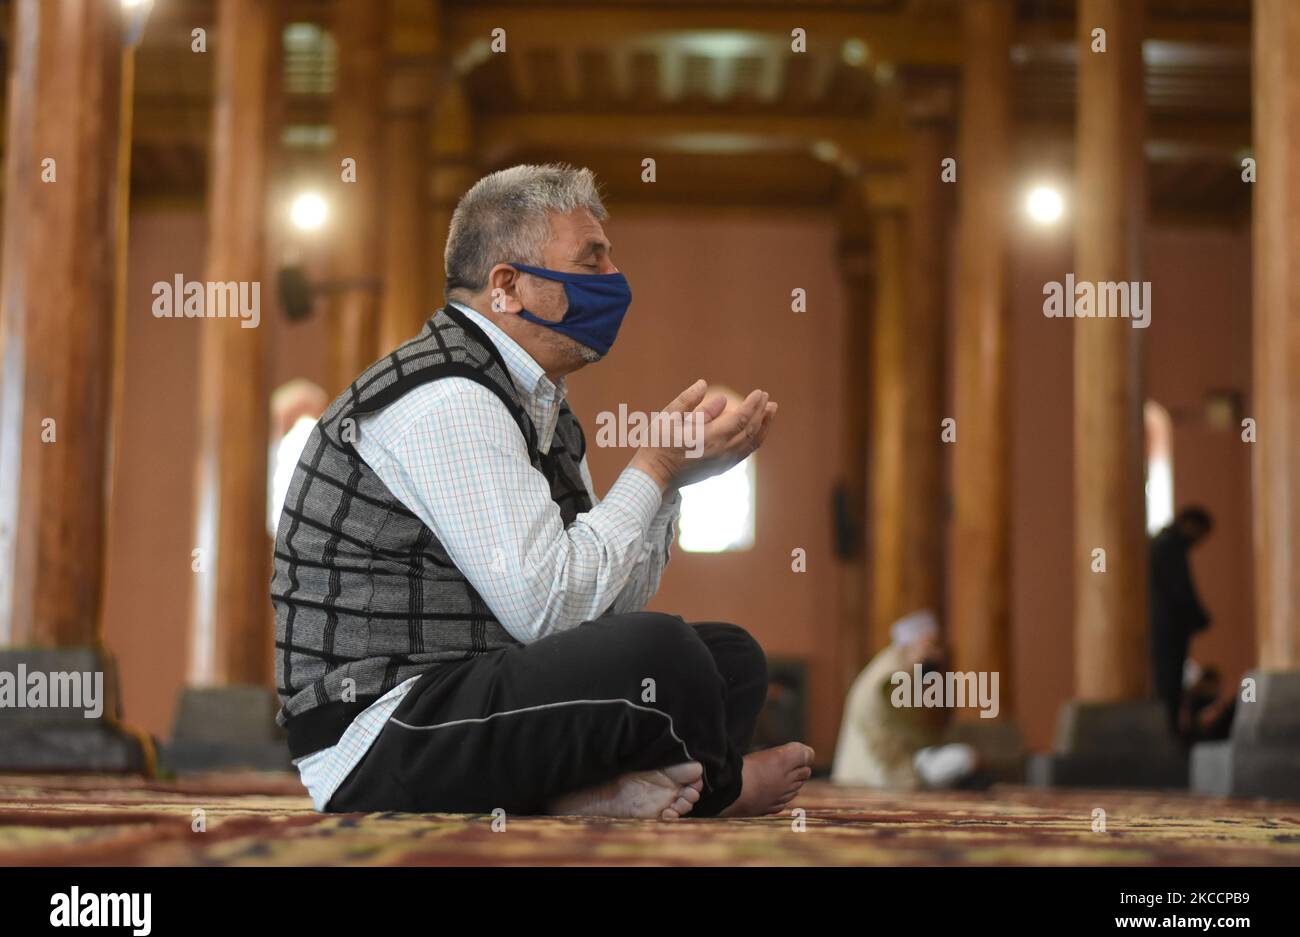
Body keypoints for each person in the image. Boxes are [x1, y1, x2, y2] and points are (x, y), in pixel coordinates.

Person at [271, 164, 814, 819]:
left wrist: (670, 492)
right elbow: (547, 608)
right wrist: (655, 467)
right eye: (592, 259)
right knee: (664, 652)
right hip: (380, 731)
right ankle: (716, 793)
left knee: (729, 656)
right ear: (508, 285)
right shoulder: (449, 397)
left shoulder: (544, 410)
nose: (615, 277)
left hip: (469, 691)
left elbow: (599, 604)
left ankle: (586, 797)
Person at [831, 610, 979, 790]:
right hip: (875, 773)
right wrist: (908, 781)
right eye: (930, 647)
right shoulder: (890, 679)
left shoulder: (894, 669)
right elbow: (885, 740)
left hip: (886, 765)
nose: (938, 656)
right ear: (909, 646)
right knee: (964, 757)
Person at [1149, 506, 1213, 735]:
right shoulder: (1168, 548)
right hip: (1167, 632)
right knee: (1168, 686)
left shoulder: (1165, 545)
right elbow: (1179, 592)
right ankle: (1168, 734)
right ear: (1189, 524)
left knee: (1170, 685)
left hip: (1165, 630)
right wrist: (1199, 617)